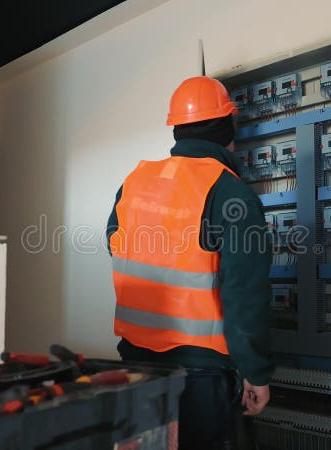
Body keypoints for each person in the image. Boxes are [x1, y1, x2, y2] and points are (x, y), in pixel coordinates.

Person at [107, 76, 274, 449]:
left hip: (136, 364)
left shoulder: (134, 181)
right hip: (201, 375)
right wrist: (255, 372)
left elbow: (115, 244)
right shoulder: (230, 192)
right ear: (229, 126)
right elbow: (244, 293)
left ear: (177, 130)